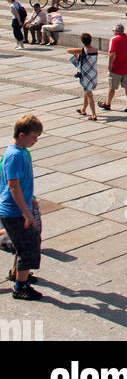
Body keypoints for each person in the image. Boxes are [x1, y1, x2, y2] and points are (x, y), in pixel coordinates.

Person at [0, 114, 44, 300]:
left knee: (27, 243)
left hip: (20, 208)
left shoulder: (23, 151)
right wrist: (26, 213)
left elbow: (24, 182)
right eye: (33, 136)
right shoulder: (15, 156)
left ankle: (19, 277)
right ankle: (20, 288)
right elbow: (13, 186)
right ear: (21, 134)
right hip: (14, 211)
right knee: (28, 246)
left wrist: (31, 199)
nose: (35, 141)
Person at [98, 23, 127, 112]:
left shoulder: (114, 39)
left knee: (112, 87)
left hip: (116, 67)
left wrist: (109, 65)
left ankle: (108, 104)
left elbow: (112, 53)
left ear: (116, 31)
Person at [69, 33, 99, 120]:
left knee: (89, 94)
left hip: (85, 74)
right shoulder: (95, 50)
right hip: (93, 74)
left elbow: (69, 50)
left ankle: (94, 114)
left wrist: (77, 52)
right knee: (86, 92)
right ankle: (83, 109)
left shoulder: (83, 50)